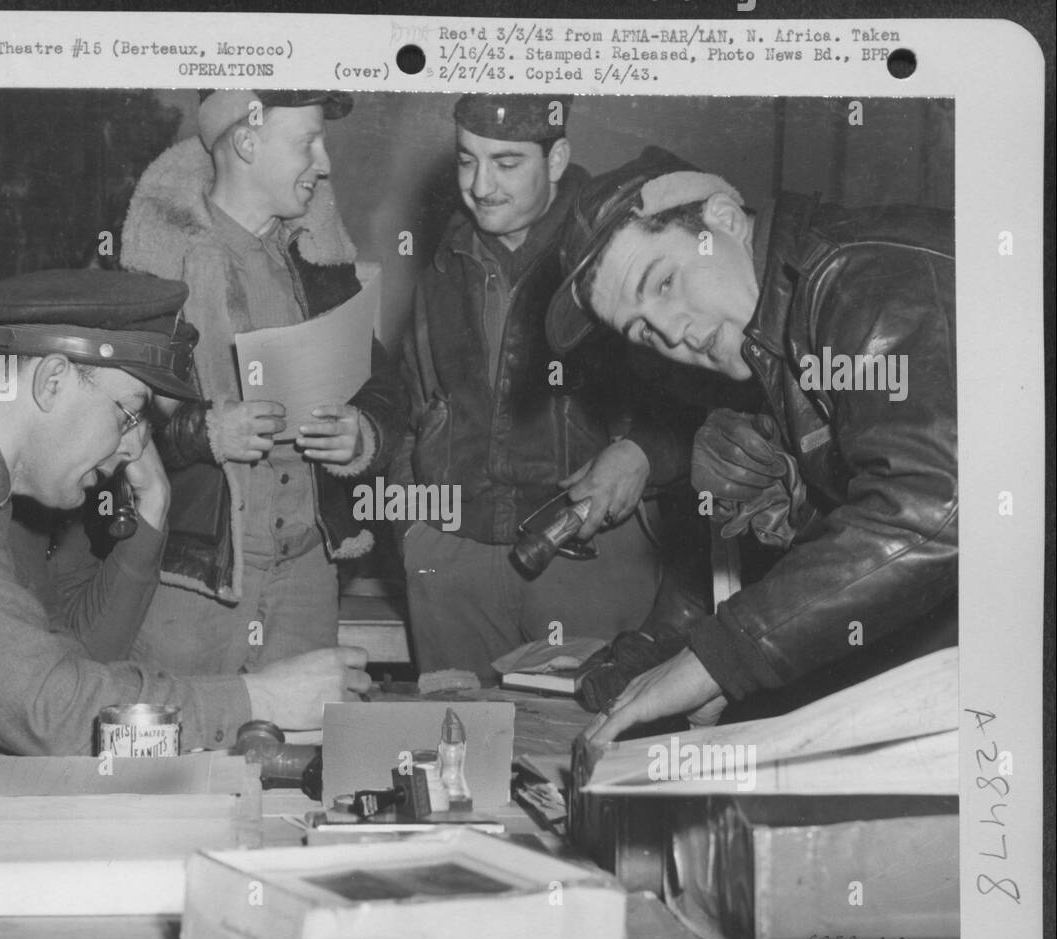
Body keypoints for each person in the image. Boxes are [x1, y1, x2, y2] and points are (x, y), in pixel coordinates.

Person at [0, 268, 370, 763]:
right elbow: (48, 711)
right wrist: (261, 701)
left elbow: (72, 664)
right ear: (52, 381)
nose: (131, 445)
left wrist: (152, 509)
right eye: (128, 414)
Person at [543, 148, 957, 741]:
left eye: (663, 281)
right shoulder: (775, 340)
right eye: (640, 329)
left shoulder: (853, 276)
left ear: (725, 220)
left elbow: (935, 509)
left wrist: (720, 657)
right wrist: (806, 516)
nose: (669, 331)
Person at [120, 90, 404, 676]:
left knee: (297, 758)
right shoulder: (151, 270)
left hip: (307, 578)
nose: (324, 163)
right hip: (192, 582)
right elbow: (106, 421)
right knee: (185, 754)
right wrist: (204, 431)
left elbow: (384, 386)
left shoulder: (320, 264)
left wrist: (362, 434)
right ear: (247, 142)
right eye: (308, 142)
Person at [389, 94, 672, 681]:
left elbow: (705, 397)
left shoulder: (621, 249)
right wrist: (415, 535)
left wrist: (643, 452)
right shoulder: (443, 258)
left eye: (507, 163)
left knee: (584, 746)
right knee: (456, 749)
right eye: (467, 161)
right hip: (453, 555)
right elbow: (411, 400)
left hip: (586, 554)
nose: (481, 186)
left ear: (558, 157)